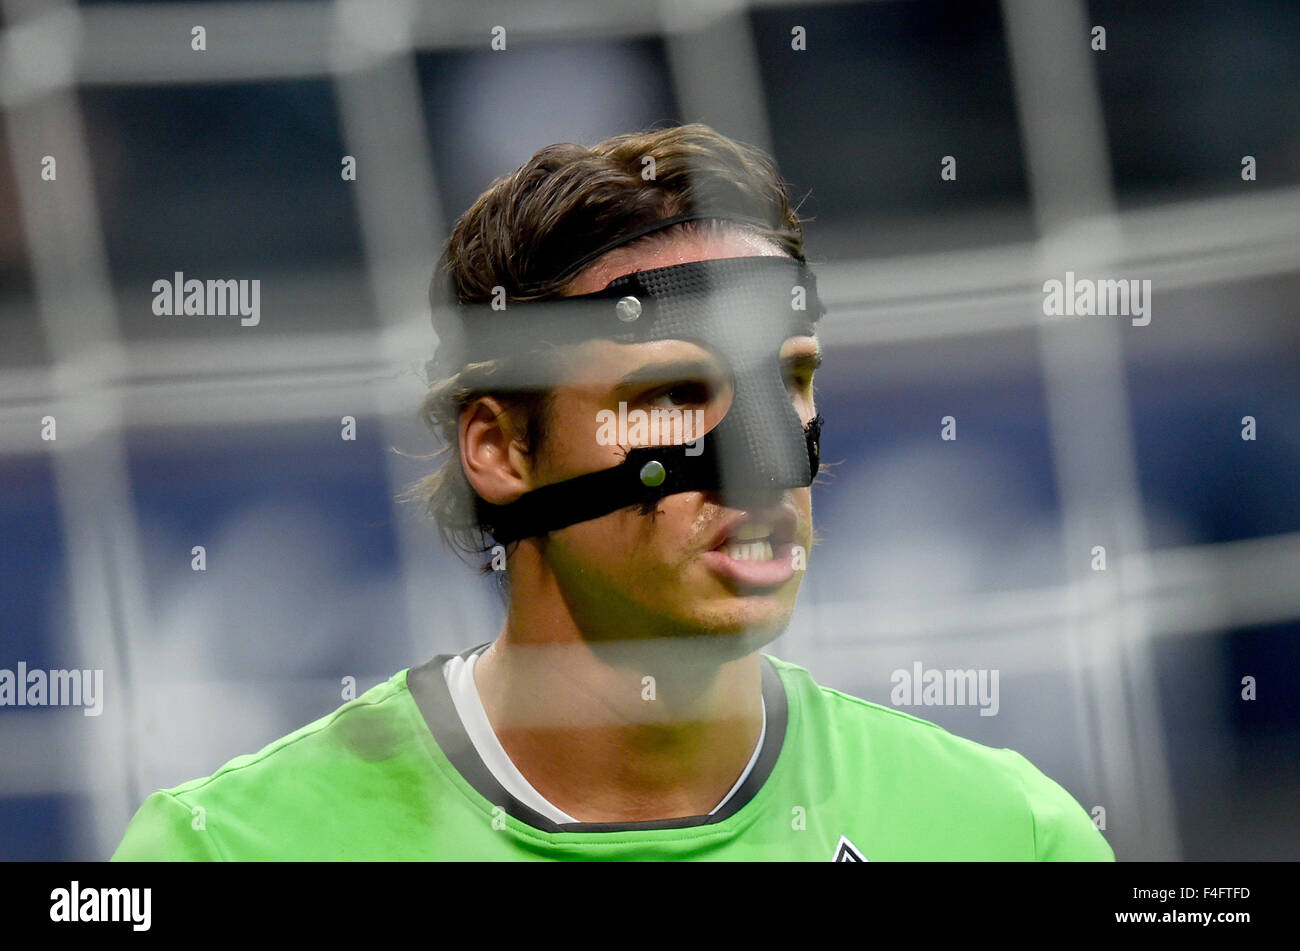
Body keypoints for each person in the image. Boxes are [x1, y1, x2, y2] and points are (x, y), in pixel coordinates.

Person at [112, 123, 1113, 861]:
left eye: (791, 384)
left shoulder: (1006, 836)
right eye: (676, 396)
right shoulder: (224, 853)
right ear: (501, 451)